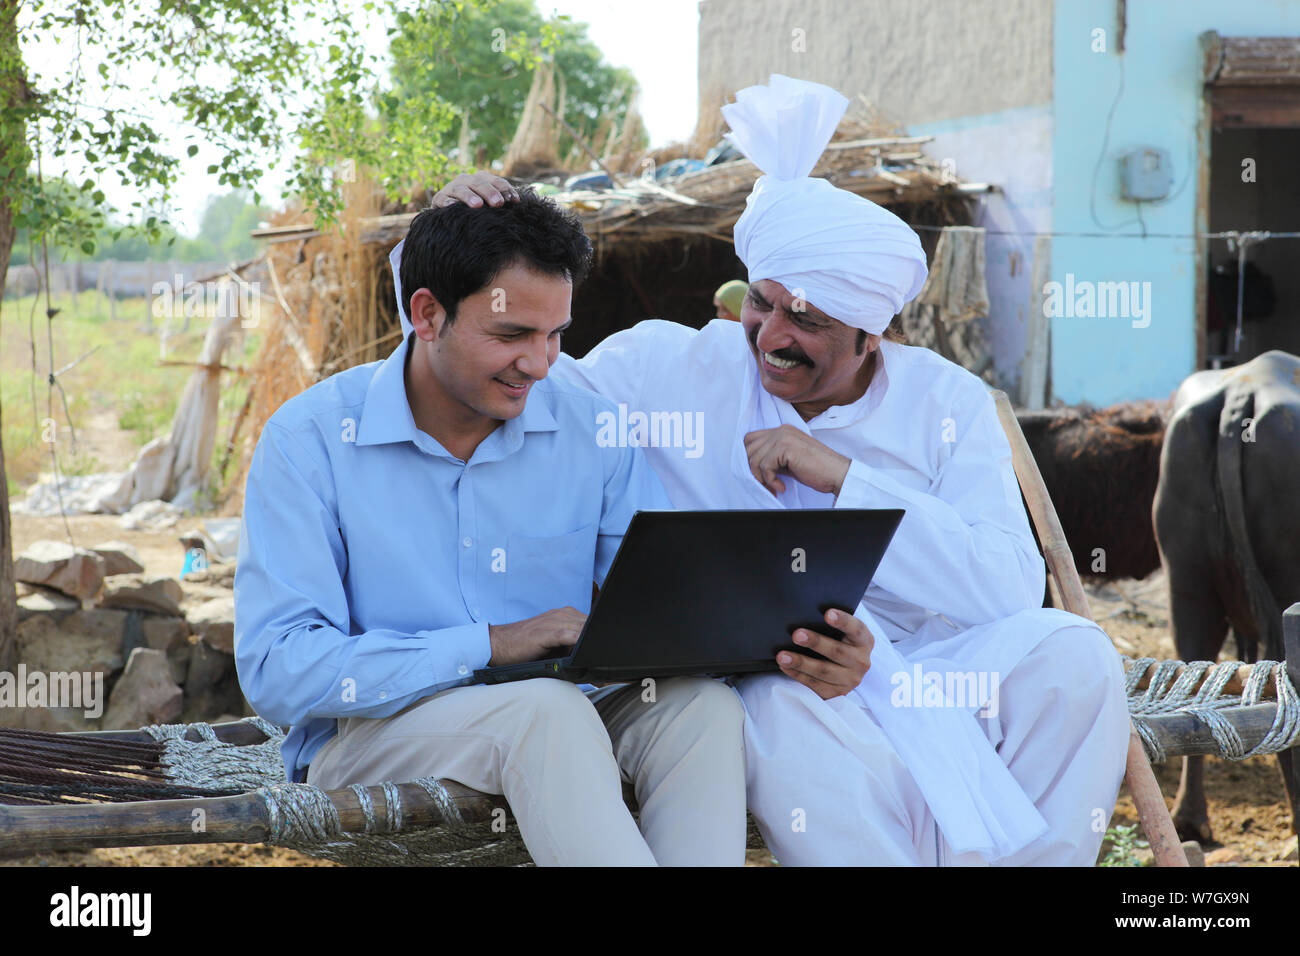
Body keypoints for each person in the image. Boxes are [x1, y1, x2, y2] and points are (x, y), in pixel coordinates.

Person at [422, 75, 1130, 866]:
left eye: (810, 320)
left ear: (874, 333)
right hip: (773, 683)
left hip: (929, 672)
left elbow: (1003, 585)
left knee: (1075, 656)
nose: (771, 336)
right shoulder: (671, 368)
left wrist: (846, 480)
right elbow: (503, 385)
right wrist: (442, 266)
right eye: (764, 302)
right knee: (778, 705)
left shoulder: (947, 401)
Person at [234, 188, 747, 866]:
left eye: (555, 335)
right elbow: (277, 672)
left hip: (569, 716)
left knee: (701, 709)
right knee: (544, 712)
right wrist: (488, 644)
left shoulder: (592, 429)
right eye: (510, 335)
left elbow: (658, 601)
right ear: (427, 313)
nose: (538, 363)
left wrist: (750, 624)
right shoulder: (311, 440)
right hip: (373, 732)